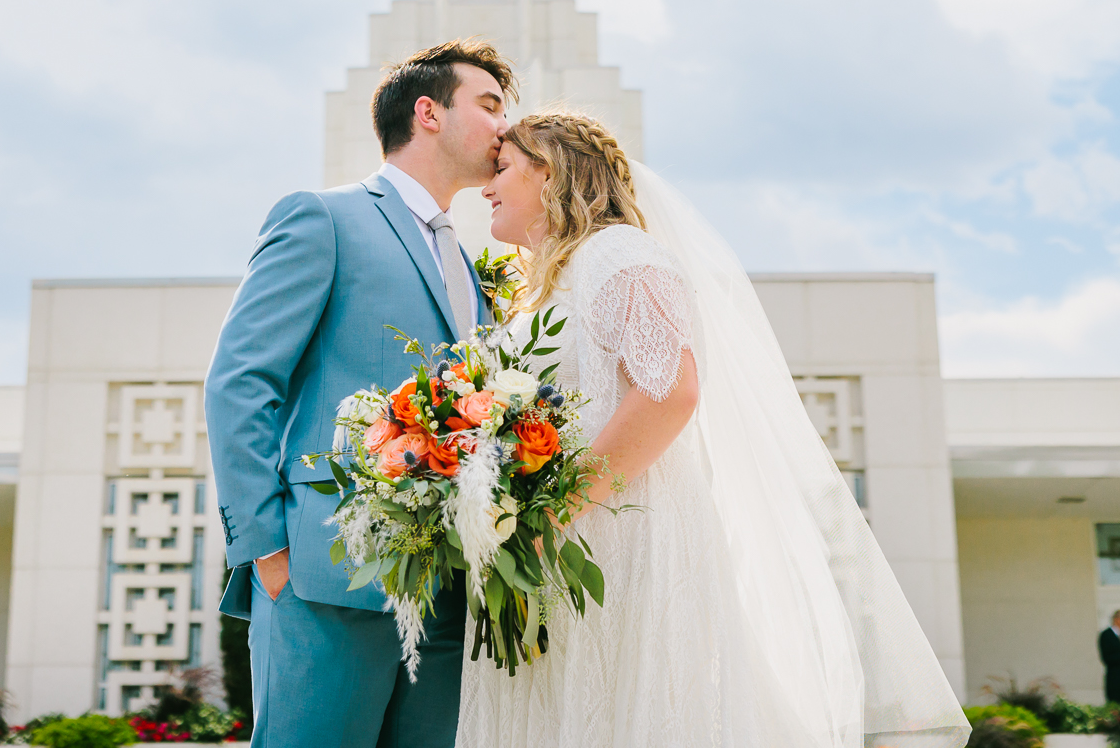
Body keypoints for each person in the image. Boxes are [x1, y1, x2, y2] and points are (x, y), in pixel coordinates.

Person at [455, 110, 970, 748]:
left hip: (619, 539)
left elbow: (670, 392)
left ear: (552, 172)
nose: (485, 187)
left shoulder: (619, 253)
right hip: (564, 546)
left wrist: (555, 512)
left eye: (502, 168)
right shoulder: (554, 284)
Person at [207, 39, 515, 748]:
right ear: (428, 111)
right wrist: (266, 547)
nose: (505, 127)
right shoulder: (322, 217)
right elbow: (241, 379)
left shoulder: (468, 264)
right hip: (325, 571)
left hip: (448, 591)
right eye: (491, 104)